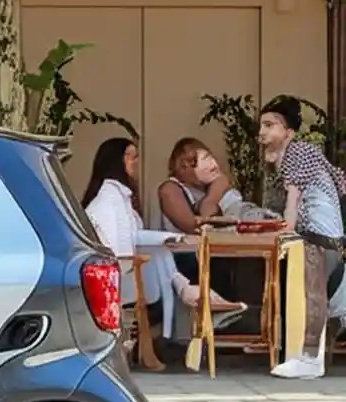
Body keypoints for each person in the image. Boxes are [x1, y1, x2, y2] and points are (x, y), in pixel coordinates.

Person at [81, 137, 245, 342]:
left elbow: (136, 237)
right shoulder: (111, 199)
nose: (137, 164)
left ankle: (192, 294)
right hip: (121, 272)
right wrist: (179, 236)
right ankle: (193, 296)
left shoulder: (119, 196)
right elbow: (118, 246)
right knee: (175, 255)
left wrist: (172, 238)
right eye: (133, 158)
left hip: (136, 265)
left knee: (164, 250)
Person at [258, 95, 346, 379]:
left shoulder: (297, 152)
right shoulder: (294, 155)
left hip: (321, 229)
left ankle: (309, 358)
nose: (263, 131)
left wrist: (288, 228)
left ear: (289, 133)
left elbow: (294, 196)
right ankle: (310, 356)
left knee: (314, 293)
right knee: (318, 292)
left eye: (271, 125)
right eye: (262, 125)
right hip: (323, 228)